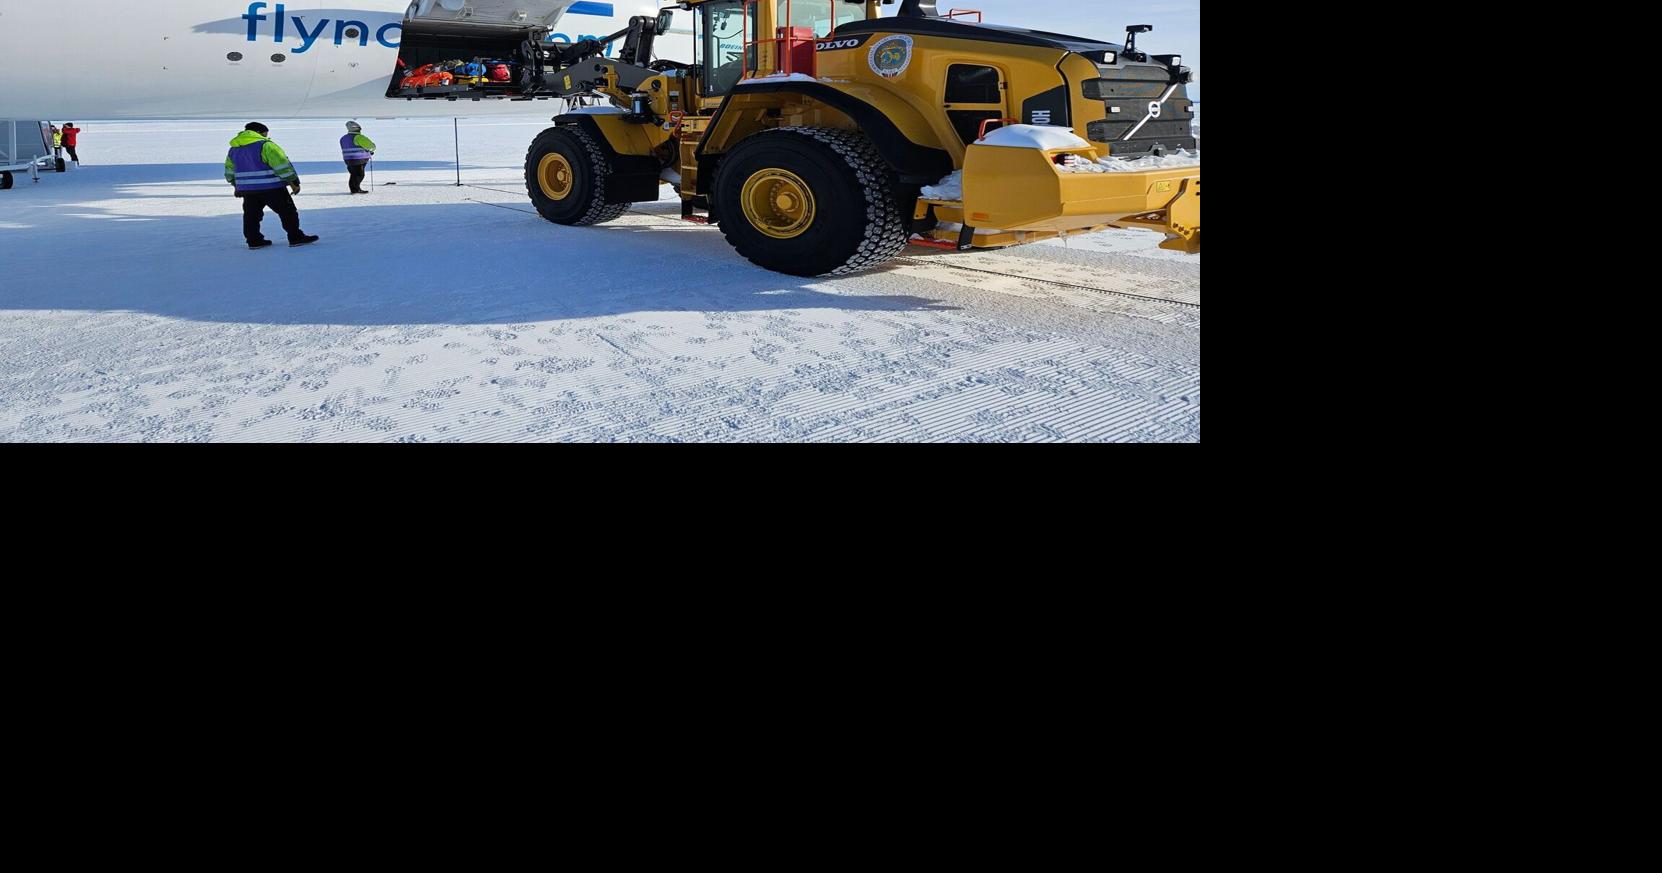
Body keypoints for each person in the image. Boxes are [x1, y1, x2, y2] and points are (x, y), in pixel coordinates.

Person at [224, 122, 319, 250]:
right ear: (260, 132)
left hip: (248, 190)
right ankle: (295, 237)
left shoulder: (234, 149)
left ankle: (254, 241)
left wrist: (236, 186)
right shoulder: (266, 145)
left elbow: (230, 171)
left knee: (251, 216)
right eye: (265, 133)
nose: (267, 136)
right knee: (287, 212)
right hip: (272, 187)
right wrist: (293, 182)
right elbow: (282, 165)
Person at [340, 121, 377, 194]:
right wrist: (371, 150)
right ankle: (356, 190)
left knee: (353, 174)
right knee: (360, 175)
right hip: (359, 159)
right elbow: (371, 146)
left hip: (348, 160)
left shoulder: (343, 138)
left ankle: (354, 189)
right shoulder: (359, 137)